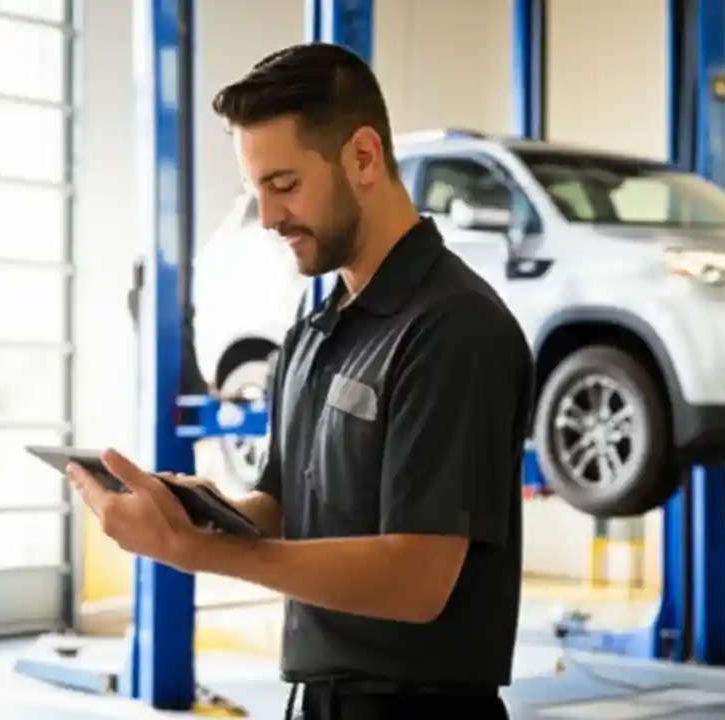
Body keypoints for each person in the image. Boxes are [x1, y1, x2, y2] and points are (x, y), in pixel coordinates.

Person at [67, 42, 534, 720]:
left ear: (364, 157)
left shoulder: (454, 329)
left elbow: (418, 580)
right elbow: (286, 510)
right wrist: (199, 511)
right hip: (316, 700)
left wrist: (198, 553)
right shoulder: (315, 328)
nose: (268, 217)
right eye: (255, 190)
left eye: (284, 186)